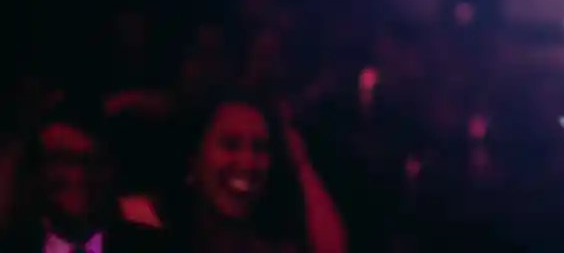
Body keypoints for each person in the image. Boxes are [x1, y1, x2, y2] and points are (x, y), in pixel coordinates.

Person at [164, 90, 346, 253]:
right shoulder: (155, 230)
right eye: (230, 144)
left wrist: (300, 161)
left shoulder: (271, 242)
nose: (247, 163)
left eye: (259, 147)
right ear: (195, 158)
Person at [1, 99, 169, 252]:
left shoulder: (154, 247)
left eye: (91, 162)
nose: (78, 176)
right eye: (62, 160)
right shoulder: (11, 247)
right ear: (37, 171)